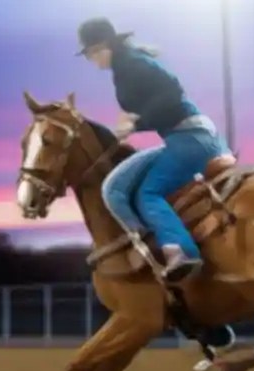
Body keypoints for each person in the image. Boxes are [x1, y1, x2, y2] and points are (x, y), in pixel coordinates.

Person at [77, 16, 232, 283]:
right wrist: (133, 124)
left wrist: (136, 122)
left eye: (90, 54)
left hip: (191, 139)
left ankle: (181, 251)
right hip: (183, 138)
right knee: (115, 186)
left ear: (102, 47)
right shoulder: (126, 66)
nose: (91, 60)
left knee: (147, 192)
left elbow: (172, 93)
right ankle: (152, 243)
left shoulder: (133, 64)